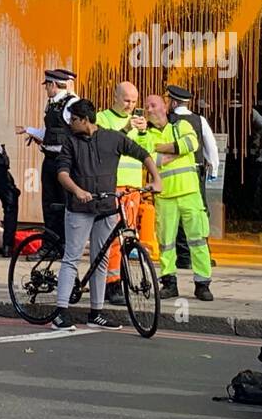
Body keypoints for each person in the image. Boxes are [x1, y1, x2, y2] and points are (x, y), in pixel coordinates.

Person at [51, 99, 162, 330]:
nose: (70, 124)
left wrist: (156, 179)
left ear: (84, 120)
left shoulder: (112, 138)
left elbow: (144, 155)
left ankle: (96, 313)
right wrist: (77, 190)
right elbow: (62, 173)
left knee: (100, 260)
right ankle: (60, 313)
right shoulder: (71, 143)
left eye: (73, 120)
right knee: (72, 258)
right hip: (80, 208)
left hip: (106, 207)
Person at [144, 93, 213, 300]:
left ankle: (203, 284)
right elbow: (149, 158)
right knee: (166, 243)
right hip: (165, 195)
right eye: (146, 106)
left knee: (198, 240)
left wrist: (162, 150)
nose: (149, 109)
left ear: (165, 107)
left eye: (153, 105)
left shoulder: (181, 125)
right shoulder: (146, 134)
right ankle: (169, 282)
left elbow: (192, 144)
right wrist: (176, 150)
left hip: (190, 193)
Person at [95, 82, 154, 305]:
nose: (130, 106)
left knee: (127, 237)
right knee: (111, 238)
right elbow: (106, 145)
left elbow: (147, 150)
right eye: (126, 100)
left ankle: (119, 278)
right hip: (112, 186)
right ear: (115, 97)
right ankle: (111, 284)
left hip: (132, 188)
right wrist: (127, 129)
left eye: (134, 102)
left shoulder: (138, 123)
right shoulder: (103, 118)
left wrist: (144, 131)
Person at [16, 69, 79, 243]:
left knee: (64, 202)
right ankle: (50, 244)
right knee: (49, 203)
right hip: (50, 159)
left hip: (64, 161)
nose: (46, 90)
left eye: (47, 86)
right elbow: (50, 132)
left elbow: (76, 133)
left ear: (52, 85)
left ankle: (65, 244)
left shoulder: (71, 104)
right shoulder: (52, 104)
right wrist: (30, 131)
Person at [165, 85, 218, 271]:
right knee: (198, 213)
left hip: (171, 173)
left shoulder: (167, 120)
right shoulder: (199, 119)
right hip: (195, 171)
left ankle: (183, 256)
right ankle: (203, 254)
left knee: (177, 215)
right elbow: (210, 146)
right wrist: (214, 169)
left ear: (172, 102)